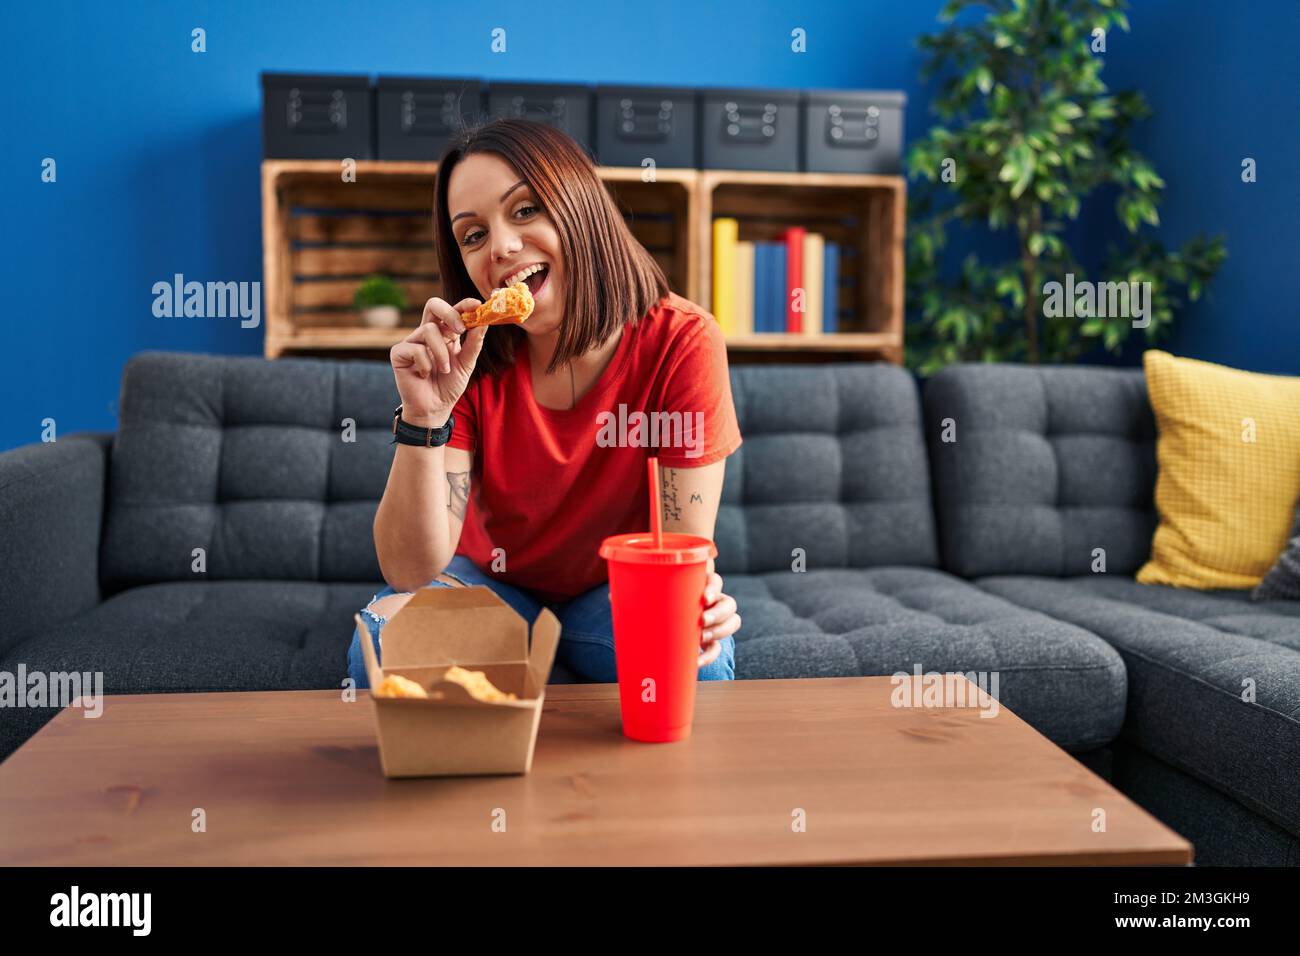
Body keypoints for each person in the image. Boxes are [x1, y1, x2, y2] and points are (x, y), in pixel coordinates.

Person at [347, 117, 743, 687]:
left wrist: (697, 605)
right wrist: (423, 416)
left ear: (581, 206)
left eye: (526, 210)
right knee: (381, 647)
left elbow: (681, 549)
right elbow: (409, 570)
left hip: (616, 592)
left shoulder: (682, 342)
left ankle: (540, 680)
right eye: (474, 235)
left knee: (688, 660)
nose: (503, 247)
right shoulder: (468, 355)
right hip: (491, 586)